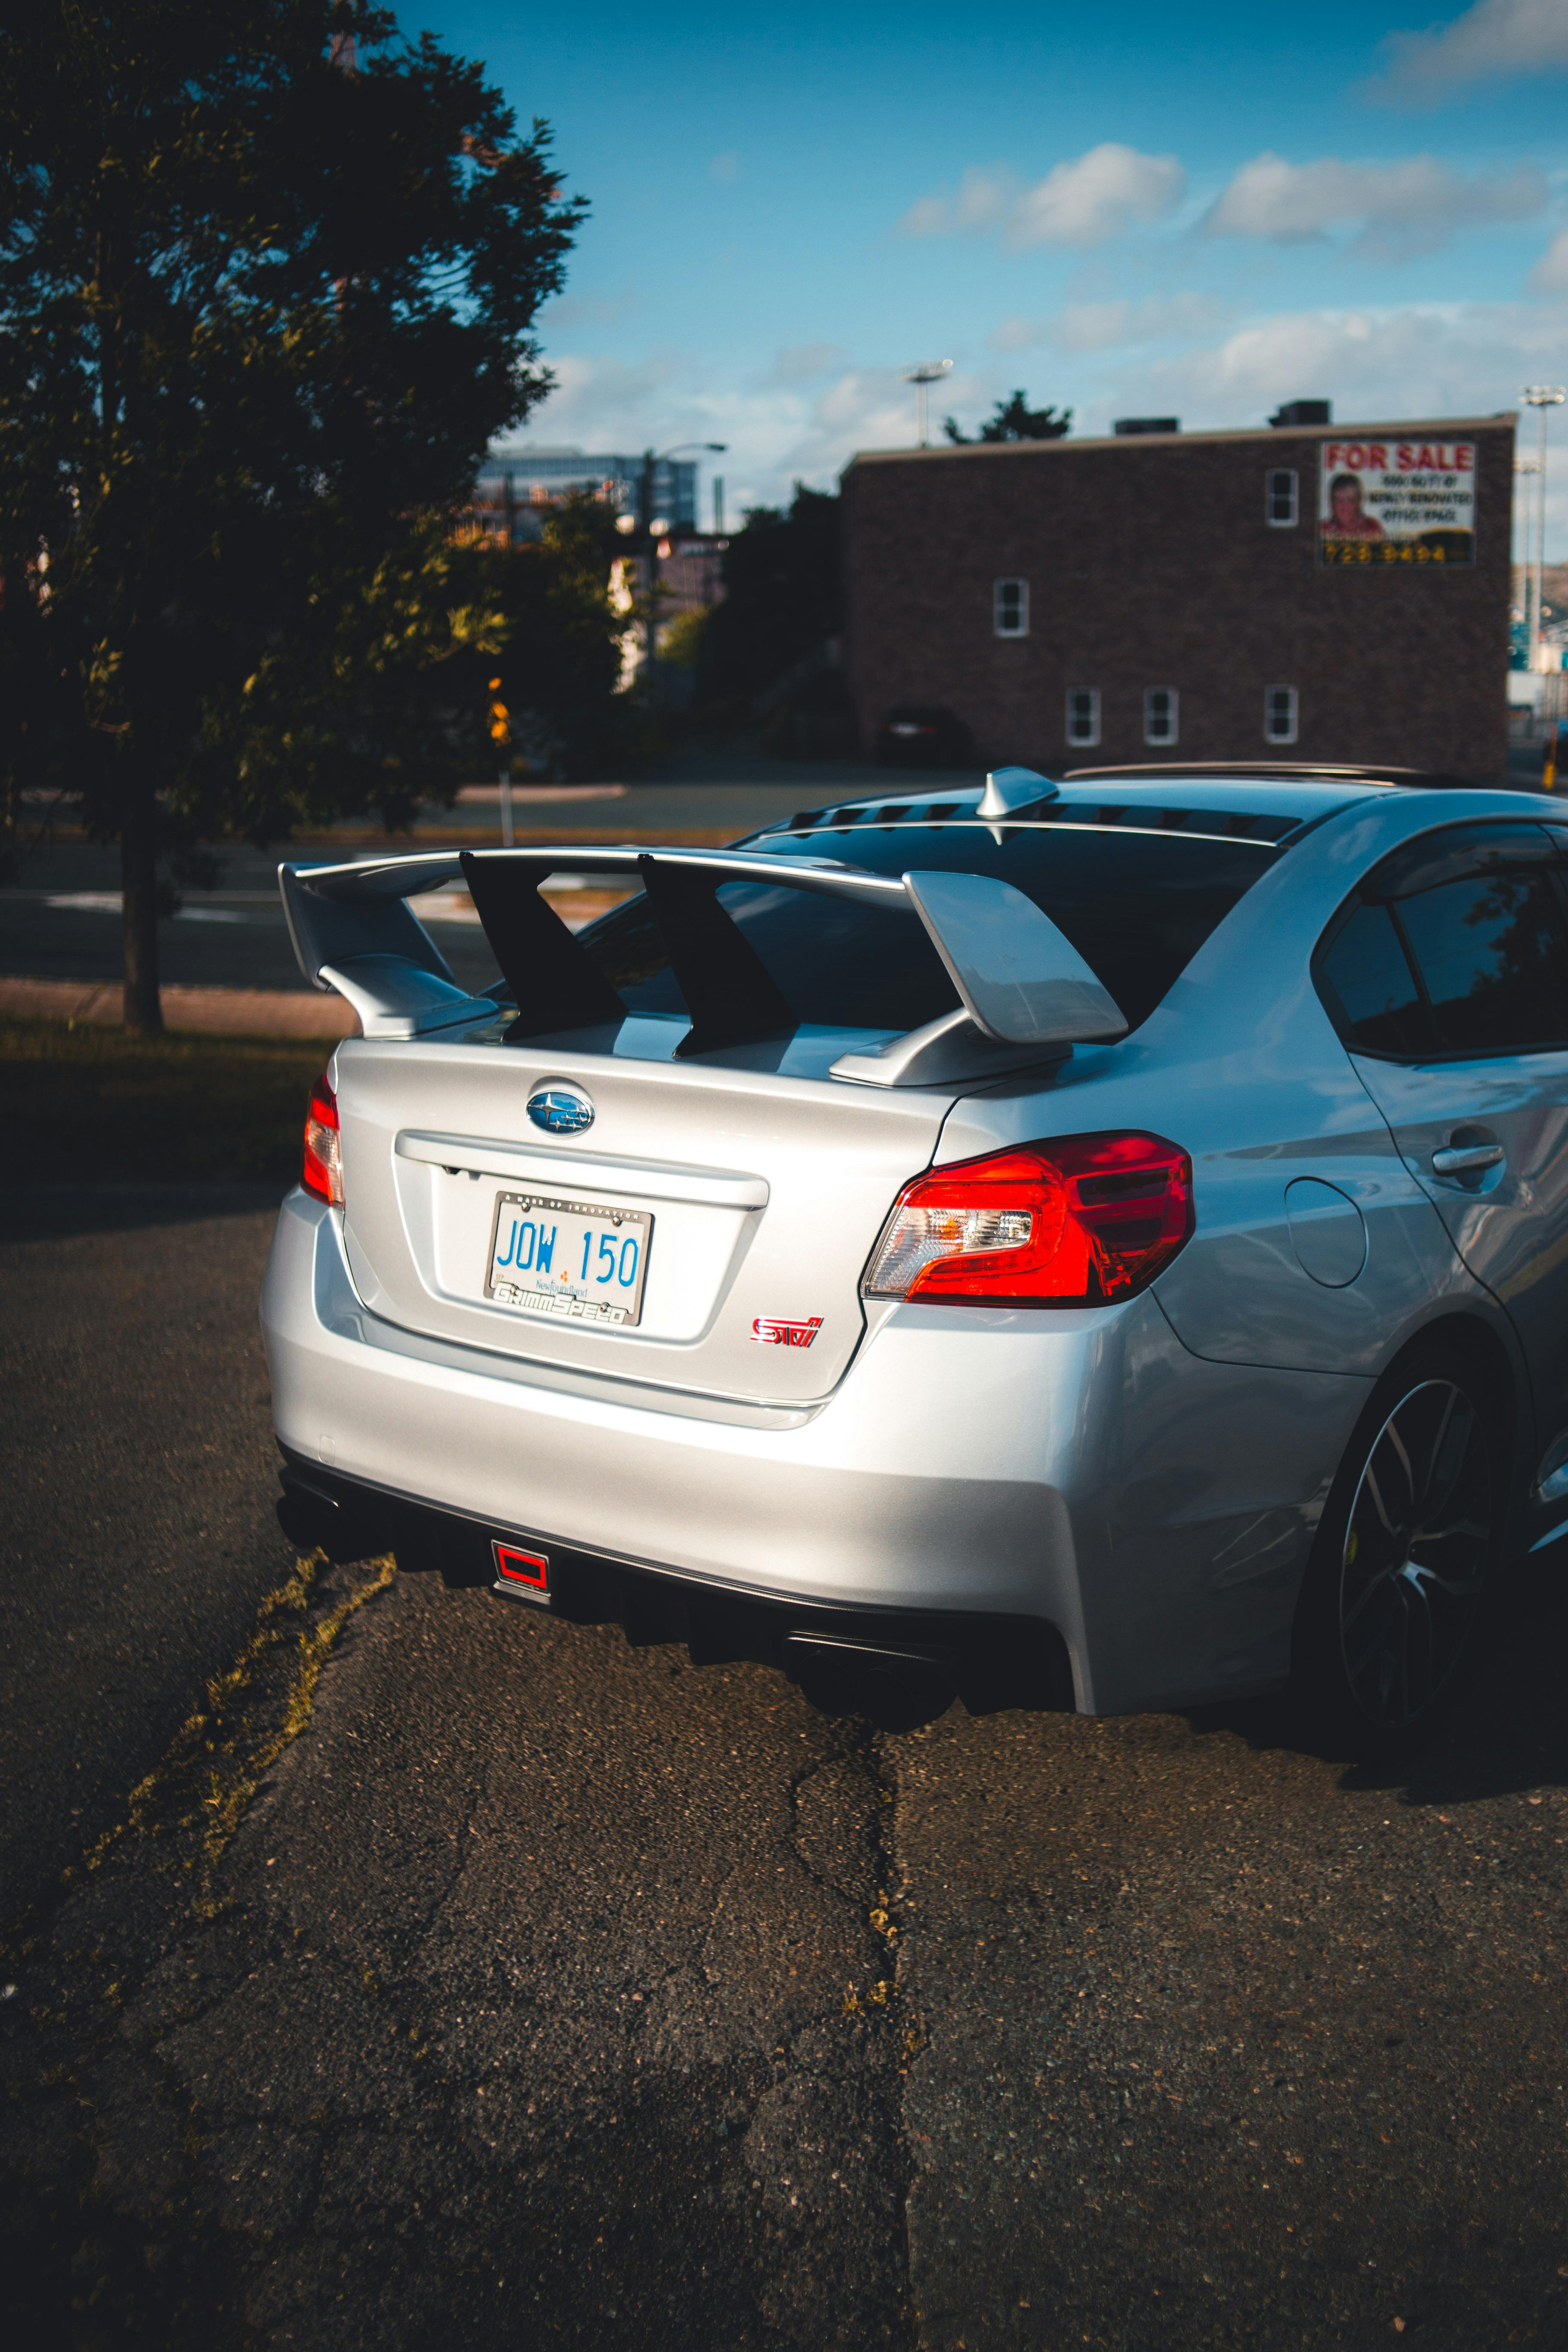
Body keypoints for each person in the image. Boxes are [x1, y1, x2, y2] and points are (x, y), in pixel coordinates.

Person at [1321, 472, 1385, 542]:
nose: (1344, 507)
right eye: (1338, 500)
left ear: (1359, 502)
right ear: (1331, 502)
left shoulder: (1372, 527)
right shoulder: (1323, 529)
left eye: (1351, 500)